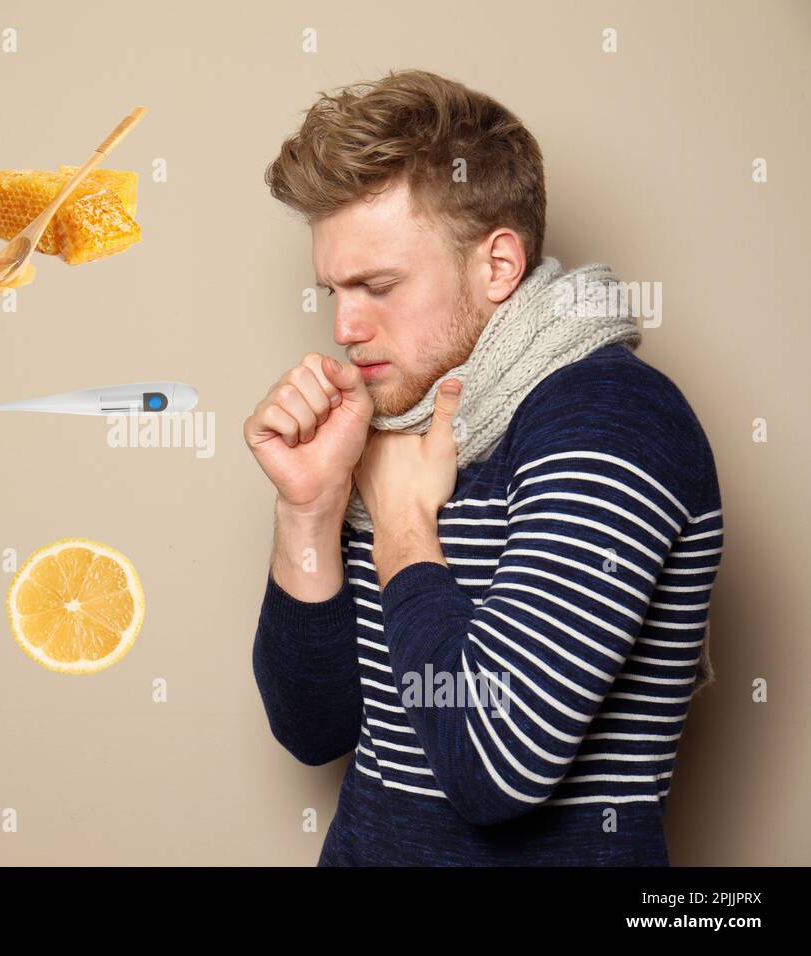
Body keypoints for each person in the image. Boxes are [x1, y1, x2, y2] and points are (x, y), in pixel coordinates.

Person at [246, 69, 723, 866]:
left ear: (498, 264)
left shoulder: (611, 420)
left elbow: (494, 765)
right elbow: (313, 730)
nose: (344, 325)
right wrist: (310, 508)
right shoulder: (397, 422)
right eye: (331, 289)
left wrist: (403, 528)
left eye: (378, 286)